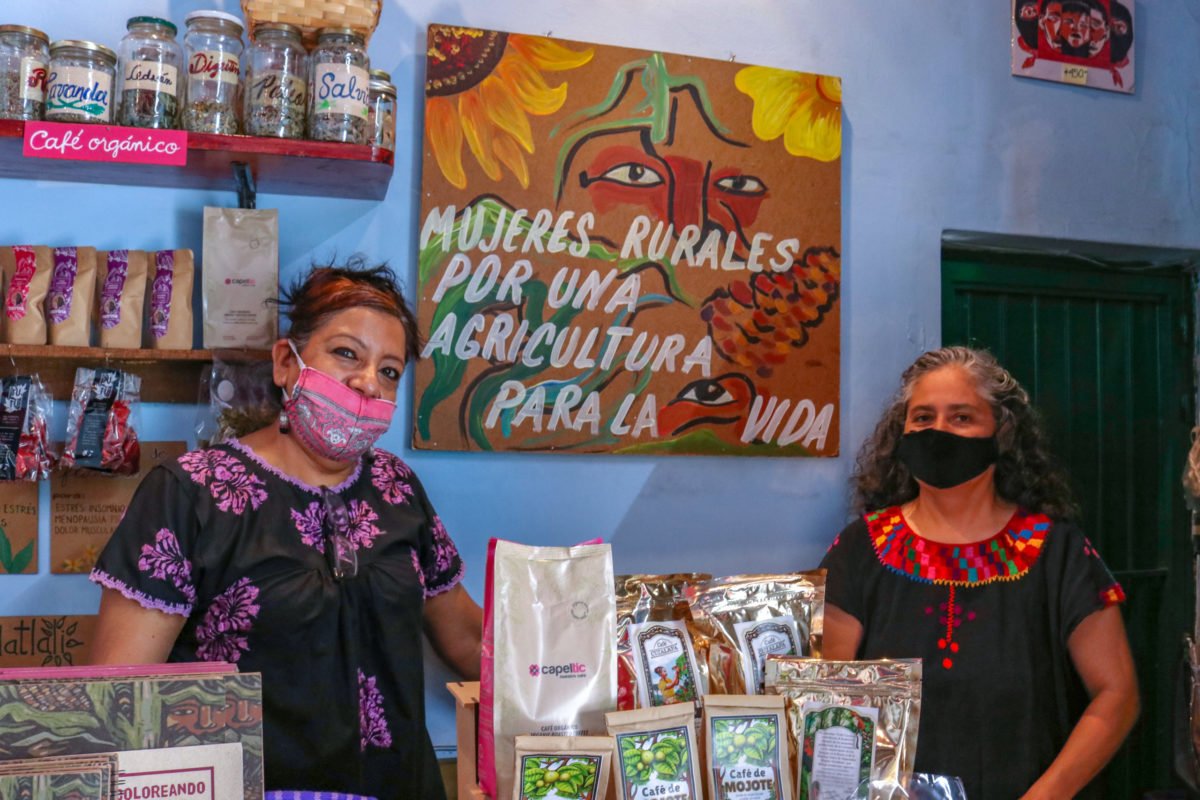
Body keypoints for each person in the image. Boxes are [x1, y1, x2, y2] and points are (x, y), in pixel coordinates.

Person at [89, 263, 482, 800]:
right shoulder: (190, 494)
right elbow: (120, 695)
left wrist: (570, 664)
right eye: (347, 353)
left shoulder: (397, 487)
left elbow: (466, 638)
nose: (369, 382)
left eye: (390, 370)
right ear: (285, 363)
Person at [820, 346, 1138, 800]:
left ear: (1001, 431)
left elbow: (1117, 695)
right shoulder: (861, 548)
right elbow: (828, 698)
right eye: (923, 417)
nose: (938, 432)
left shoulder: (1055, 550)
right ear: (902, 431)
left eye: (961, 417)